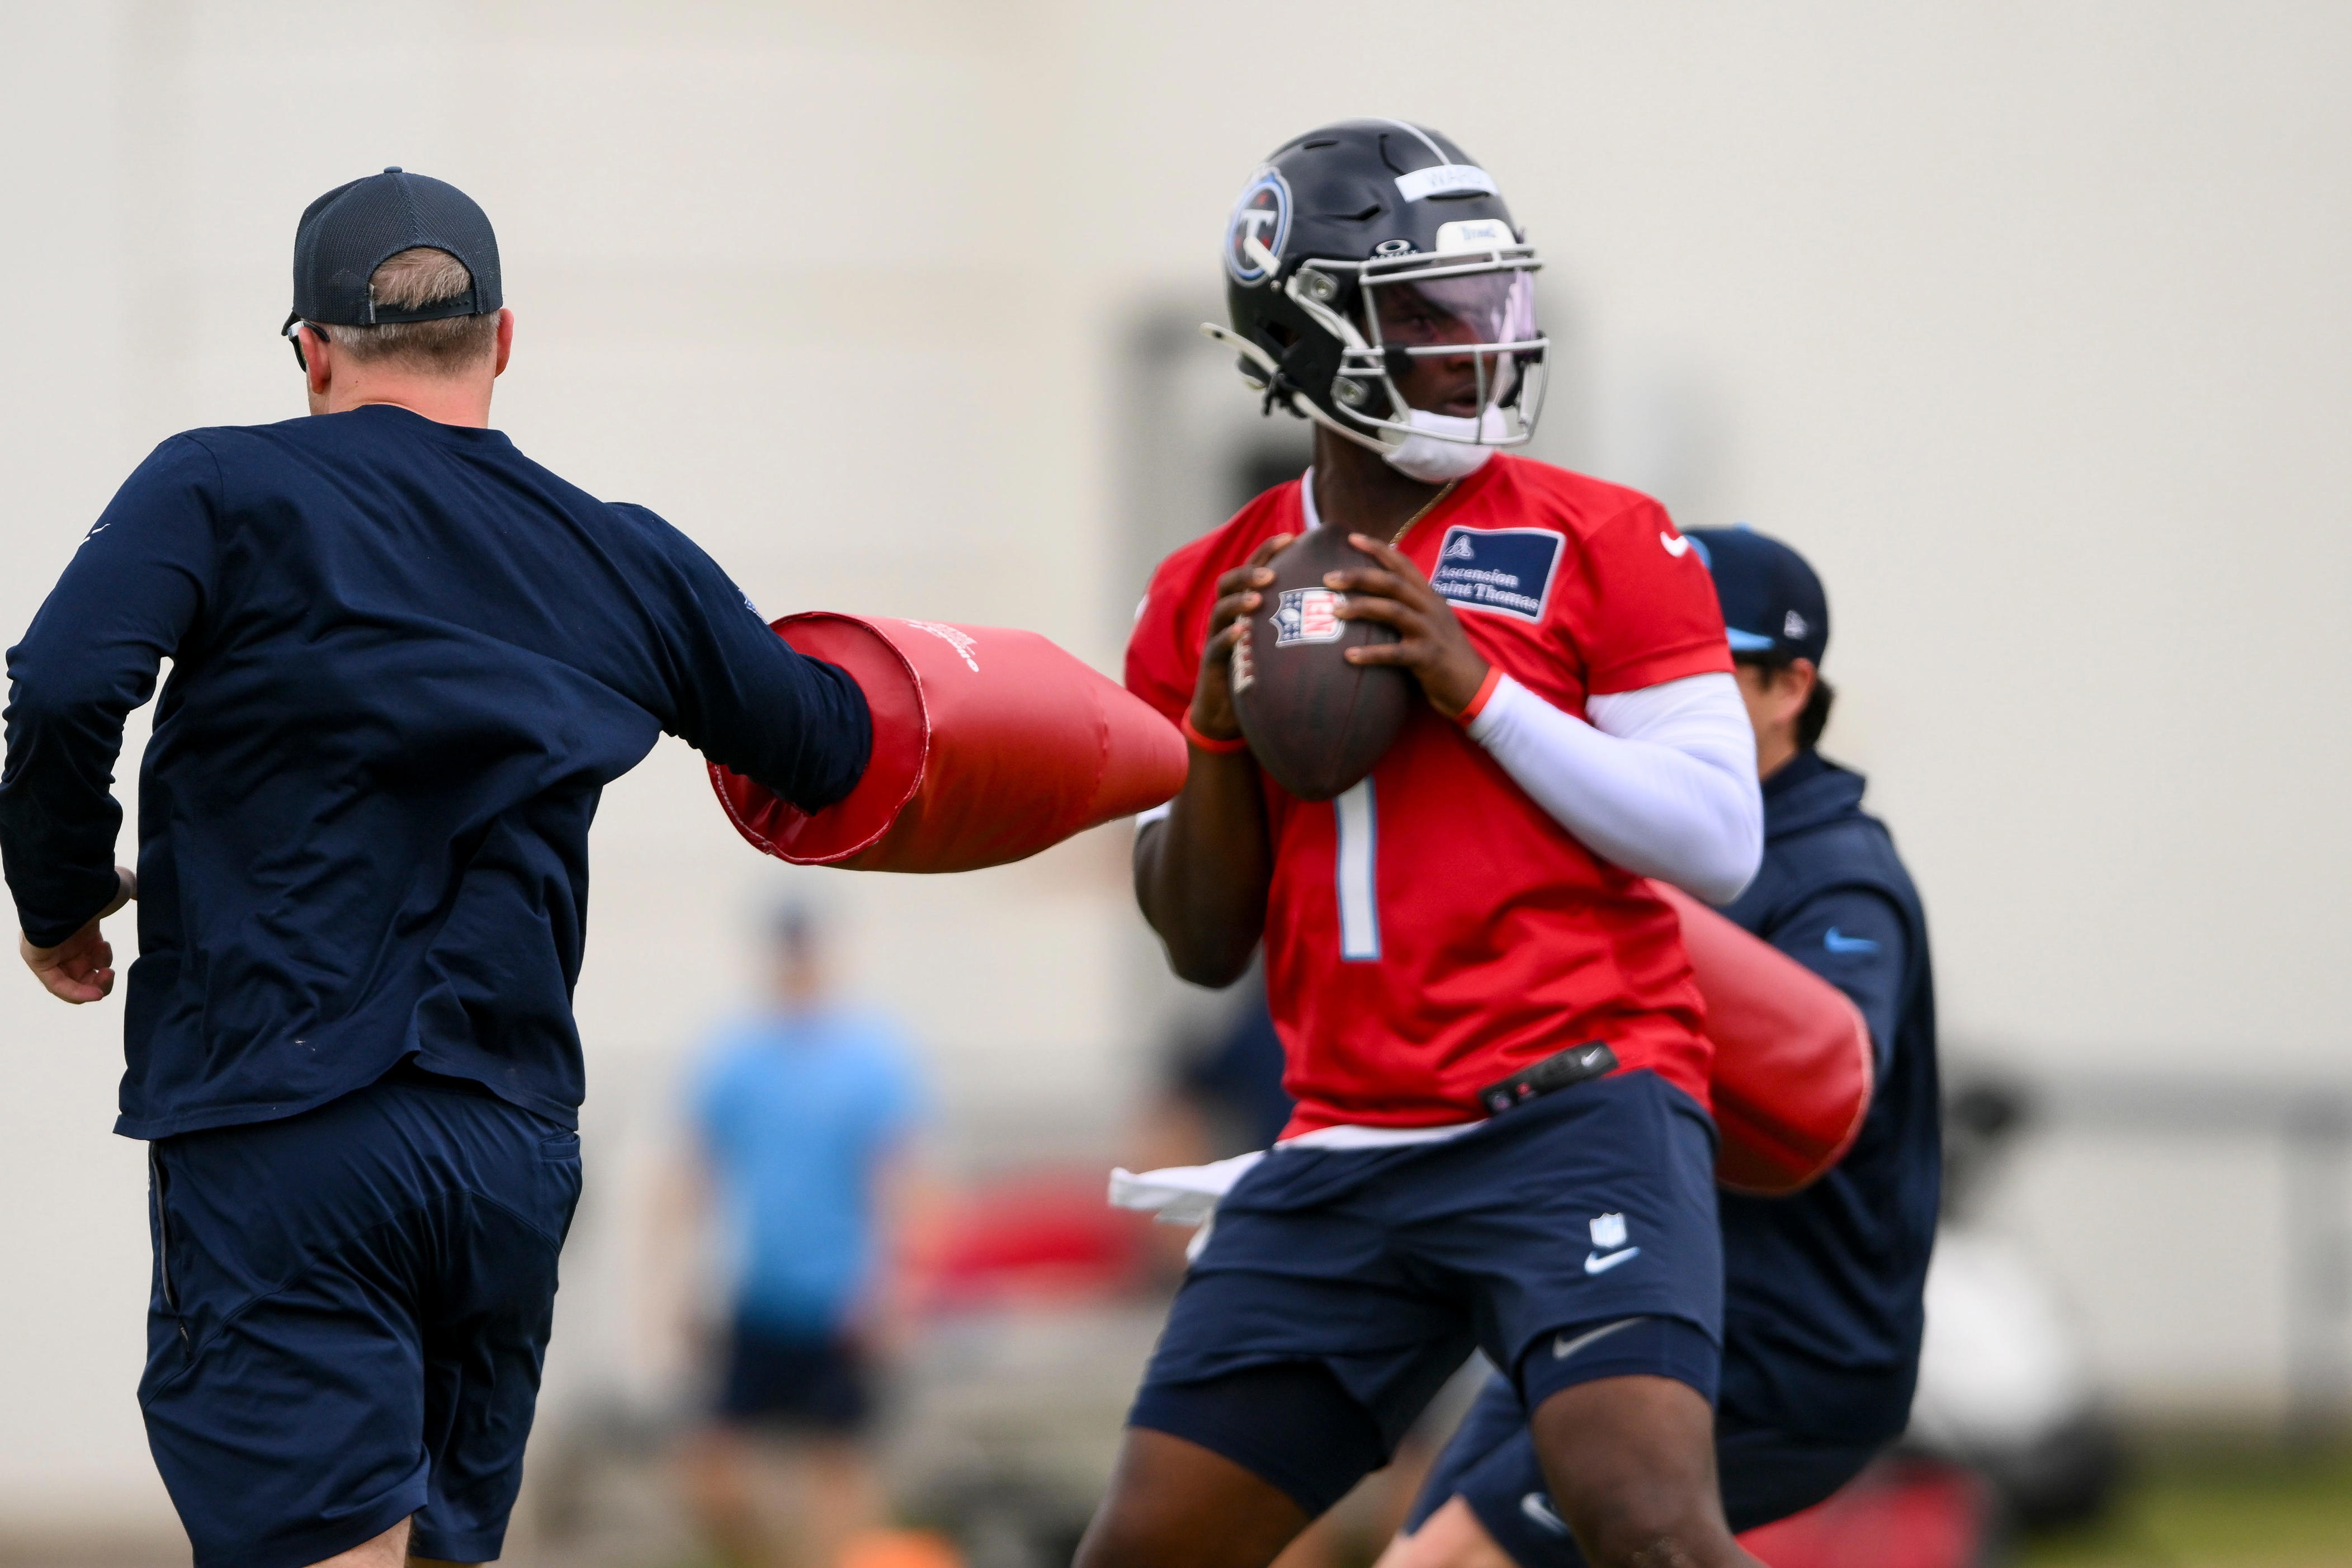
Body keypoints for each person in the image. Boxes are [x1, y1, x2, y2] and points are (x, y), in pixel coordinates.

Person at [0, 170, 874, 1568]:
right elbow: (838, 743)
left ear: (312, 353)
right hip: (506, 1161)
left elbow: (60, 684)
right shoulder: (620, 552)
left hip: (289, 1125)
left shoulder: (222, 484)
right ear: (504, 340)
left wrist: (54, 899)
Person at [1084, 121, 1770, 1568]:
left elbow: (1717, 840)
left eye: (1485, 306)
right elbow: (1200, 942)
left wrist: (1479, 689)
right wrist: (1214, 732)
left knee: (1645, 1521)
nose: (1473, 345)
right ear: (1306, 328)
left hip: (1573, 1109)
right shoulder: (1204, 584)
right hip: (1343, 1143)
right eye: (1422, 314)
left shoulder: (1606, 538)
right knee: (1142, 1551)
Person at [1383, 526, 1940, 1568]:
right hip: (1615, 1304)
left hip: (1781, 1351)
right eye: (1645, 668)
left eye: (1704, 669)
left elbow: (1825, 1081)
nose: (1655, 697)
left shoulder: (1838, 874)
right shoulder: (1621, 836)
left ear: (1790, 688)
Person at [678, 905, 928, 1568]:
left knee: (837, 1474)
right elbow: (697, 1173)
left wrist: (895, 1286)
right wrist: (679, 1282)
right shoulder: (738, 1058)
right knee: (712, 1474)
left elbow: (896, 1179)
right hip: (760, 1291)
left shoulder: (869, 1059)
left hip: (838, 1296)